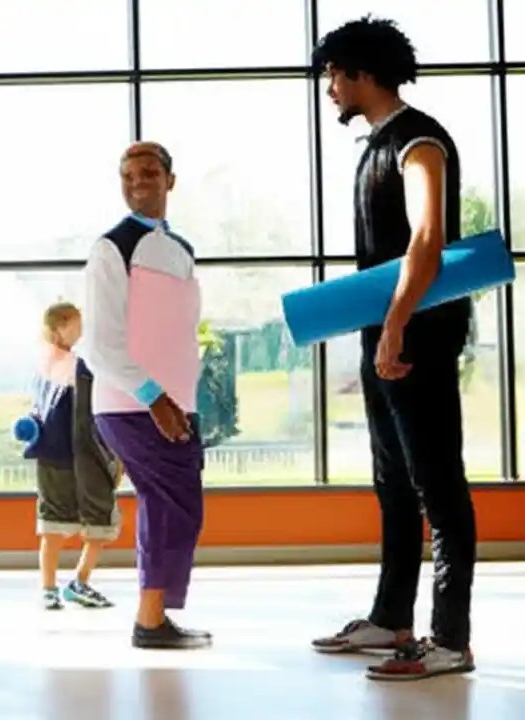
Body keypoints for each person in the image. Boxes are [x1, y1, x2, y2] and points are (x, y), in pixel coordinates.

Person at [309, 16, 477, 681]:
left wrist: (399, 324)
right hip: (386, 332)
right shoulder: (375, 144)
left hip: (417, 335)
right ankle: (391, 618)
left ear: (362, 73)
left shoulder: (419, 141)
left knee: (438, 485)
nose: (328, 87)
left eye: (333, 74)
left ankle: (449, 640)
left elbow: (427, 238)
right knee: (393, 482)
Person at [80, 142, 211, 650]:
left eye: (150, 172)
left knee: (173, 503)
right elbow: (99, 344)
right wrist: (155, 396)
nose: (139, 181)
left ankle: (154, 616)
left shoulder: (178, 248)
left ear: (169, 181)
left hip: (172, 403)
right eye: (129, 174)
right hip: (135, 402)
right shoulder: (112, 247)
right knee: (172, 502)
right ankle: (150, 620)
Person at [22, 301, 122, 611]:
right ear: (59, 328)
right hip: (77, 455)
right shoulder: (79, 366)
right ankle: (70, 584)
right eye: (75, 323)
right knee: (92, 522)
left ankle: (59, 587)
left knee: (60, 523)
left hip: (55, 454)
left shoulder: (44, 364)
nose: (81, 329)